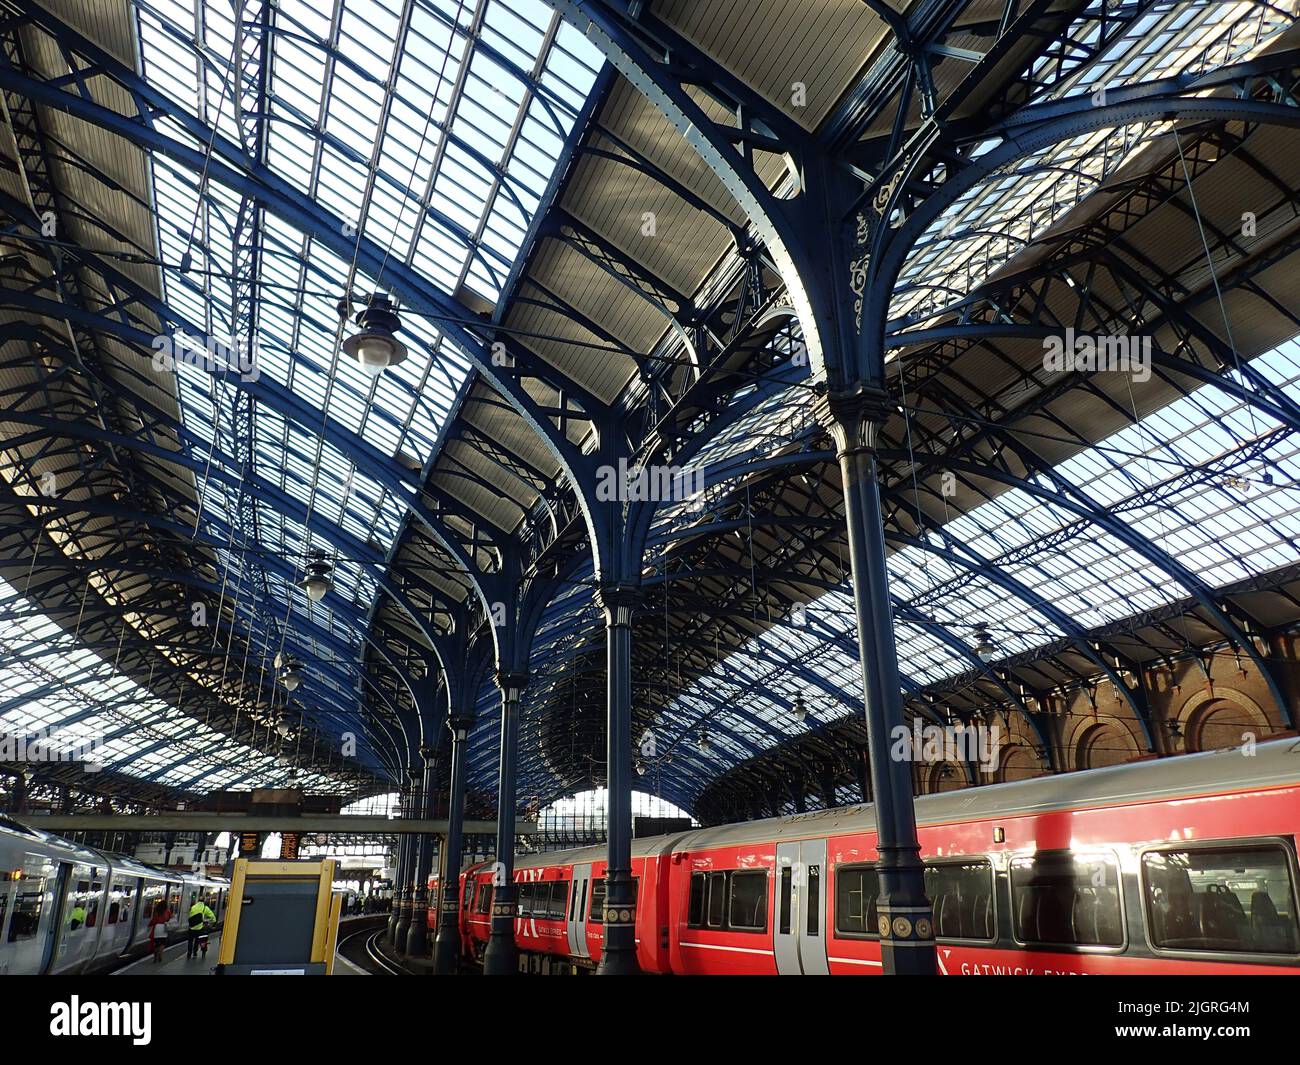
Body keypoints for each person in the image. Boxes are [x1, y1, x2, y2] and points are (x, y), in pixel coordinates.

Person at [186, 894, 216, 959]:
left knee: (190, 941)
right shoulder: (205, 908)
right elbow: (213, 918)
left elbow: (190, 916)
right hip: (199, 928)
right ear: (204, 901)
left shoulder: (193, 907)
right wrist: (207, 921)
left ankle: (189, 954)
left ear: (198, 900)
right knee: (197, 941)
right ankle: (195, 953)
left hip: (191, 927)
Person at [148, 899, 172, 963]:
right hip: (164, 927)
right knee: (162, 943)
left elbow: (153, 920)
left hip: (157, 928)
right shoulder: (167, 911)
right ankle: (160, 955)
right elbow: (170, 918)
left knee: (156, 944)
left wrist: (150, 925)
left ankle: (155, 957)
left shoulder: (157, 911)